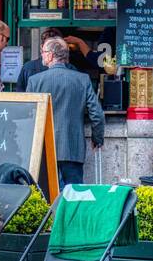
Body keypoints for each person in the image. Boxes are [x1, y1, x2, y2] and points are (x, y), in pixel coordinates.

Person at [27, 36, 105, 188]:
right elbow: (97, 114)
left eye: (43, 52)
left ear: (50, 55)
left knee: (46, 199)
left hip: (43, 150)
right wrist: (97, 139)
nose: (41, 55)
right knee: (73, 198)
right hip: (72, 149)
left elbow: (28, 116)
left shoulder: (35, 81)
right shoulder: (82, 79)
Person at [16, 27, 62, 92]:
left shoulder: (28, 67)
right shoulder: (70, 69)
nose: (51, 50)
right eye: (49, 46)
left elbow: (20, 96)